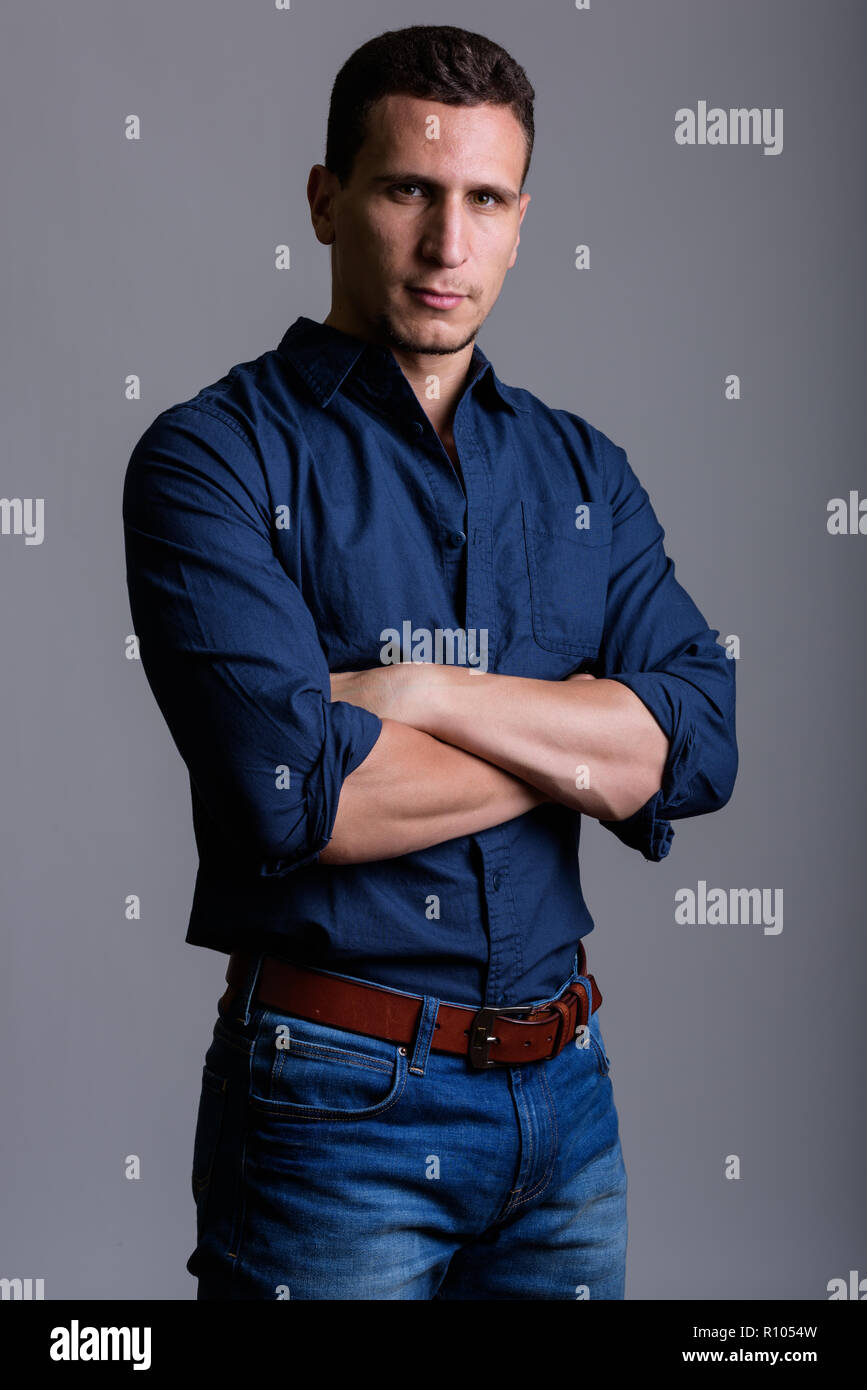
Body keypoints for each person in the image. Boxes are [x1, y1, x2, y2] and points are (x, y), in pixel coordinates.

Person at [122, 24, 737, 1300]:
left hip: (568, 1104)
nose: (447, 244)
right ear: (326, 198)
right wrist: (582, 735)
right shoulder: (212, 461)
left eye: (485, 200)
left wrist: (422, 697)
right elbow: (295, 794)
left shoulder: (584, 474)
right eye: (409, 190)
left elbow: (701, 742)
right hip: (332, 1105)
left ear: (521, 220)